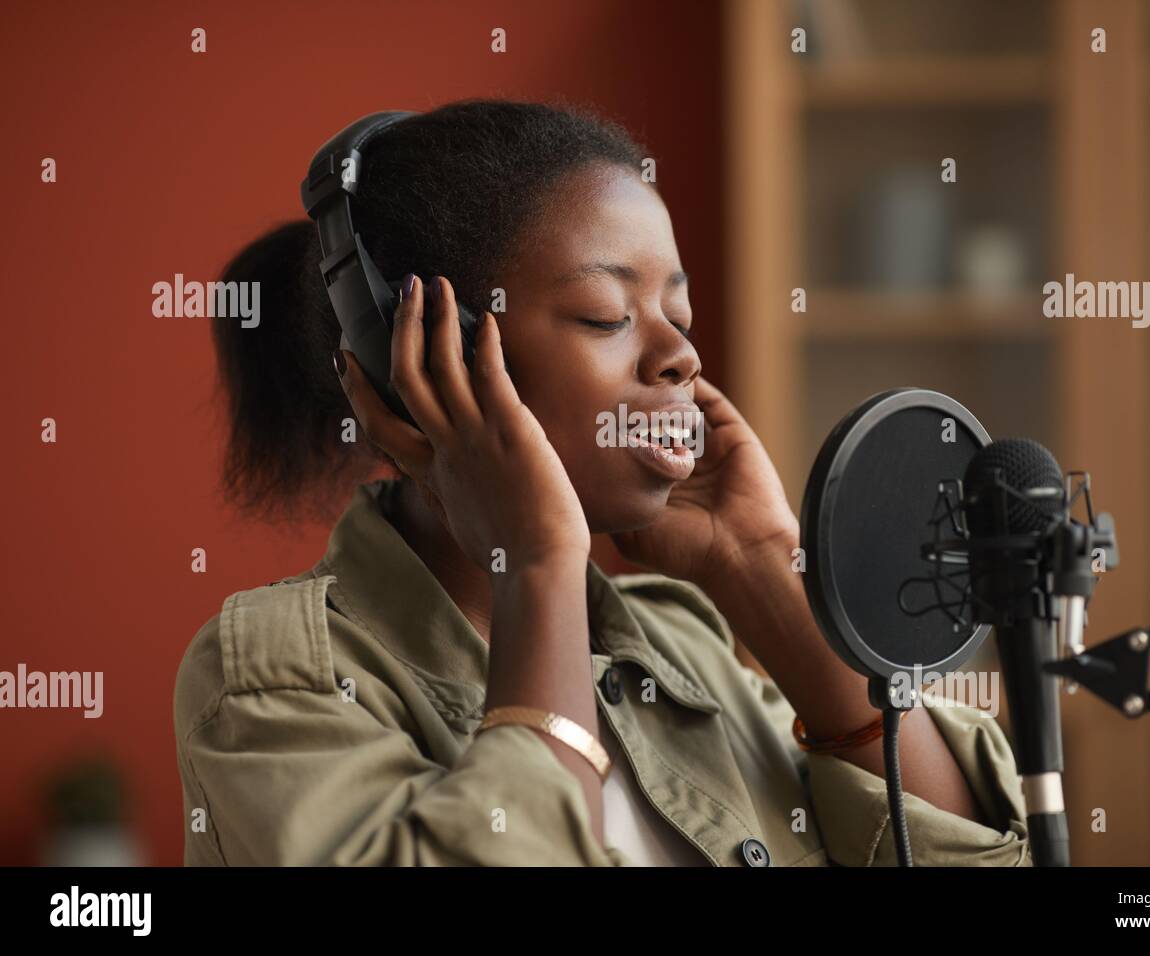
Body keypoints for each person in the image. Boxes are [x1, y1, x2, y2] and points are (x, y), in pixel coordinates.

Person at [174, 99, 1030, 866]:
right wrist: (537, 565)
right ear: (430, 364)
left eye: (679, 317)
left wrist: (763, 567)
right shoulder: (279, 677)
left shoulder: (683, 647)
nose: (683, 357)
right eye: (607, 317)